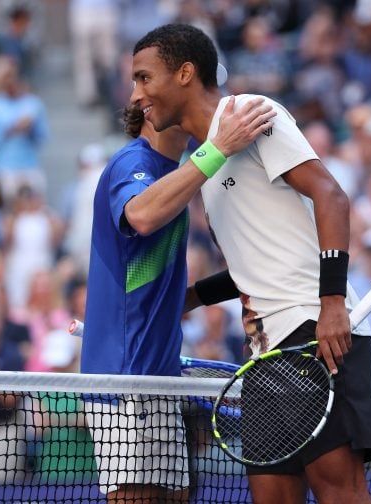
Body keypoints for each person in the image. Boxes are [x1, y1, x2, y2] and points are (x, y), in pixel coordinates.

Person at [129, 23, 371, 504]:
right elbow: (257, 259)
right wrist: (194, 297)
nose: (137, 94)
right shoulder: (205, 165)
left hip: (311, 331)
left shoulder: (251, 112)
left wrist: (331, 304)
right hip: (264, 354)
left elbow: (332, 196)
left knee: (341, 494)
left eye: (144, 78)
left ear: (184, 73)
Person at [81, 92, 275, 501]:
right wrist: (218, 148)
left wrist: (193, 297)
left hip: (160, 377)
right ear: (151, 113)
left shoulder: (172, 171)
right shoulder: (132, 162)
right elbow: (142, 215)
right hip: (123, 380)